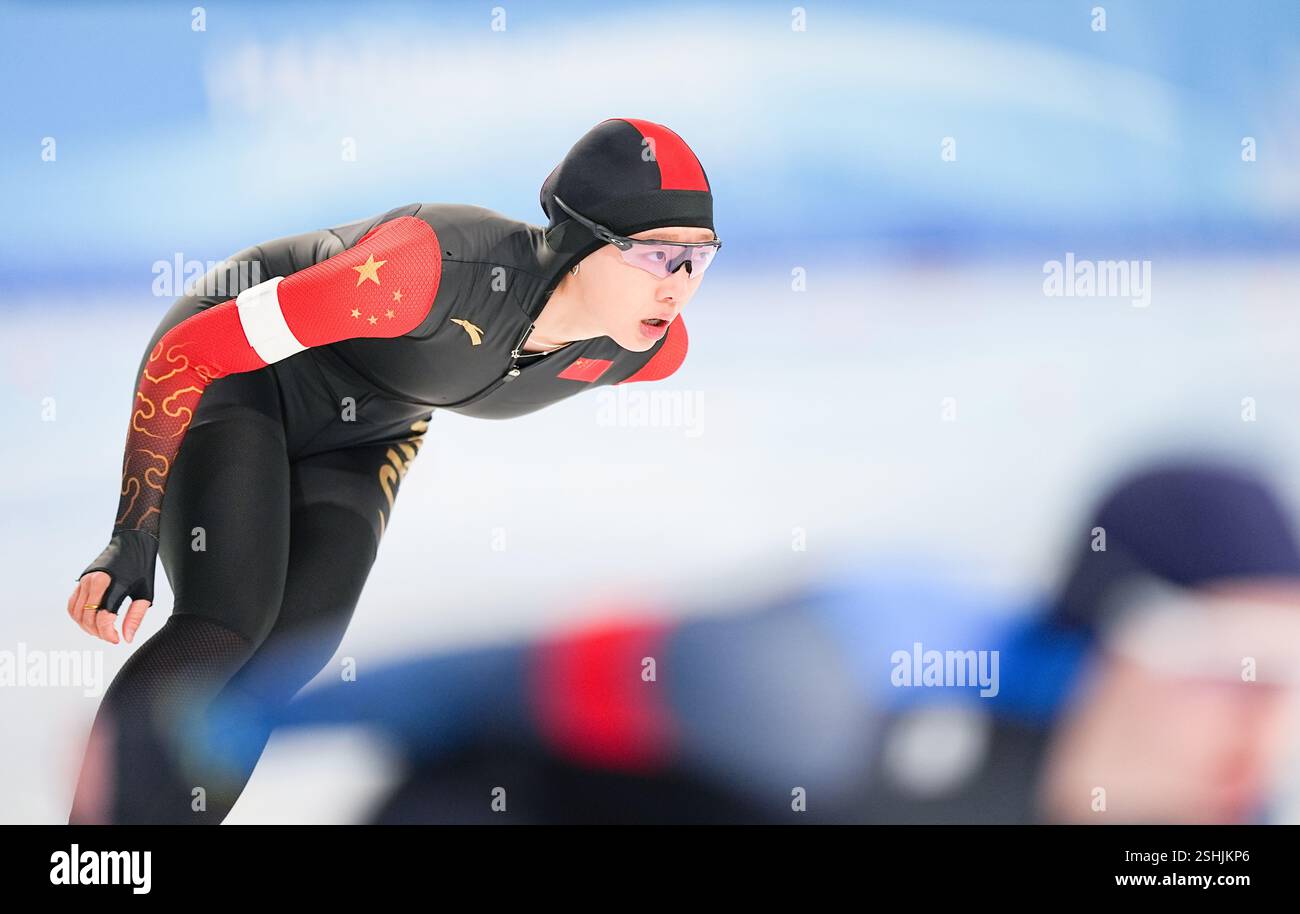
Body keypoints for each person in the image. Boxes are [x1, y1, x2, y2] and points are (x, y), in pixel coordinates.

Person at [64, 117, 722, 824]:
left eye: (700, 258)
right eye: (657, 255)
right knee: (227, 622)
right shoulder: (425, 272)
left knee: (288, 655)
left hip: (368, 431)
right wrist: (134, 532)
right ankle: (89, 855)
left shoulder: (649, 351)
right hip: (244, 378)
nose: (679, 286)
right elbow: (191, 351)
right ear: (582, 238)